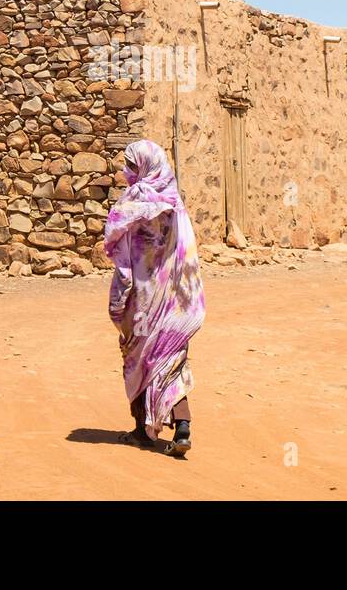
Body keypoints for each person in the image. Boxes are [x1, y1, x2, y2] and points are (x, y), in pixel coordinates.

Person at [104, 139, 206, 456]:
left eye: (131, 166)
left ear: (144, 168)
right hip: (176, 299)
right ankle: (183, 426)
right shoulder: (176, 204)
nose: (127, 172)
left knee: (139, 360)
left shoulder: (133, 203)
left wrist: (118, 303)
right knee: (171, 361)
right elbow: (187, 256)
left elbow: (122, 261)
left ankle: (141, 431)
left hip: (144, 300)